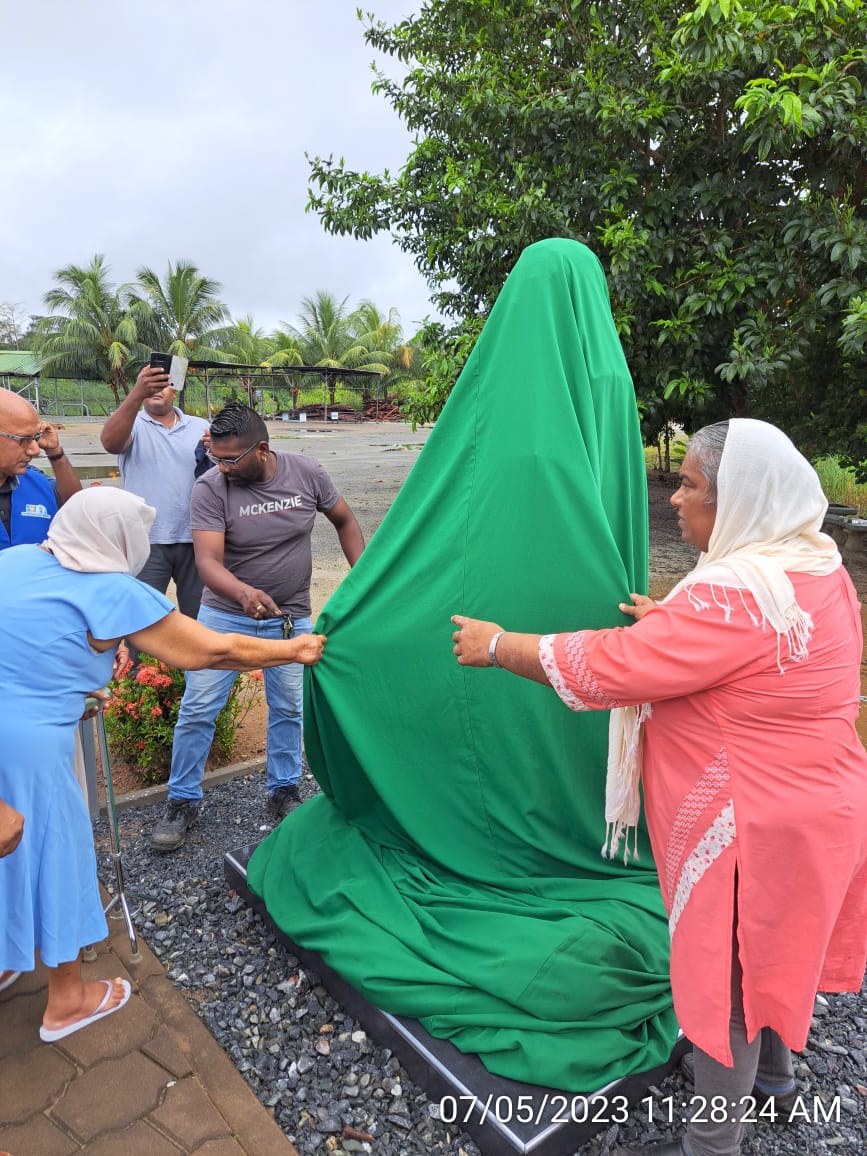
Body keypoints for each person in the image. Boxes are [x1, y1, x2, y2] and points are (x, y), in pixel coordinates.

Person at [452, 418, 867, 1156]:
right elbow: (738, 653)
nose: (674, 498)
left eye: (690, 485)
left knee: (725, 990)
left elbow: (612, 667)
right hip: (820, 810)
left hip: (750, 830)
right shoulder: (816, 567)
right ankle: (776, 1086)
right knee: (771, 952)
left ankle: (711, 1145)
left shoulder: (734, 598)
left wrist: (499, 645)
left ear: (738, 500)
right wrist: (672, 622)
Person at [0, 487, 325, 1041]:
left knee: (8, 855)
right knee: (57, 855)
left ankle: (7, 955)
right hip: (32, 750)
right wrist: (292, 650)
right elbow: (211, 650)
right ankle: (67, 1001)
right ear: (119, 541)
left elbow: (30, 645)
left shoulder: (16, 561)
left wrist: (66, 683)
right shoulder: (110, 590)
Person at [148, 401, 365, 851]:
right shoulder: (210, 488)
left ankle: (283, 788)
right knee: (199, 707)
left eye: (231, 459)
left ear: (262, 450)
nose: (221, 466)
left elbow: (345, 521)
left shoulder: (307, 473)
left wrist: (365, 582)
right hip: (225, 617)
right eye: (216, 456)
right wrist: (243, 594)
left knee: (288, 707)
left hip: (290, 617)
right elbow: (208, 563)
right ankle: (182, 799)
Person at [100, 362, 210, 622]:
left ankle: (195, 653)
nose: (157, 389)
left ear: (175, 389)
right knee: (141, 620)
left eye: (164, 384)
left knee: (200, 619)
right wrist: (137, 394)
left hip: (194, 538)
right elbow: (111, 443)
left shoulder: (200, 426)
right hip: (145, 539)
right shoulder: (130, 423)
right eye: (149, 382)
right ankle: (140, 655)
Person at [0, 386, 81, 549]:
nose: (35, 450)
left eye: (35, 437)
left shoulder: (38, 484)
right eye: (23, 439)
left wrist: (55, 452)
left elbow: (79, 511)